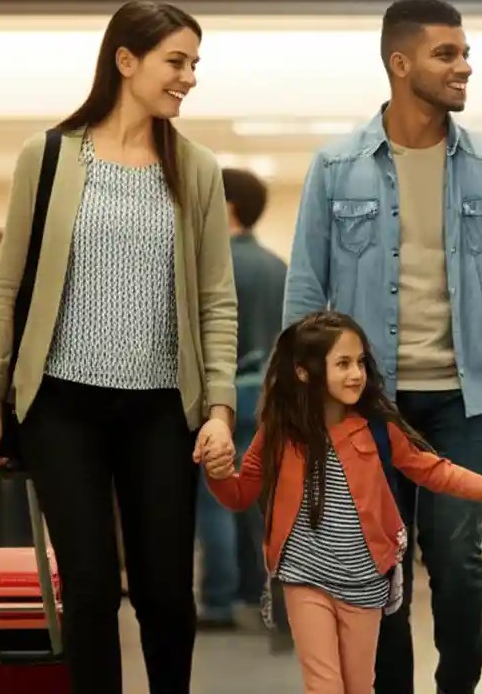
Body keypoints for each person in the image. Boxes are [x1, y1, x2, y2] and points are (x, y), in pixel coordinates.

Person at [282, 0, 482, 694]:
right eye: (447, 54)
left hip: (463, 398)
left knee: (459, 558)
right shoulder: (337, 166)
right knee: (379, 561)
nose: (464, 67)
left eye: (465, 53)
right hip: (367, 402)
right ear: (400, 64)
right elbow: (307, 293)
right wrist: (303, 404)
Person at [0, 1, 238, 694]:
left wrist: (219, 408)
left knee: (166, 597)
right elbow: (10, 288)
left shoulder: (197, 168)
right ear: (126, 61)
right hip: (61, 407)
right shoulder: (50, 156)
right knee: (87, 590)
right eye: (176, 62)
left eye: (194, 64)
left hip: (158, 410)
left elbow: (216, 299)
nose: (189, 78)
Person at [202, 311, 482, 694]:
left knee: (359, 686)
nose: (356, 374)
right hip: (304, 578)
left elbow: (435, 470)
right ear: (304, 372)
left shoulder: (377, 427)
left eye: (360, 362)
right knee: (324, 686)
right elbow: (239, 494)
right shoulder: (278, 433)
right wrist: (217, 471)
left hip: (364, 582)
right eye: (342, 364)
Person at [195, 167, 286, 631]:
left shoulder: (212, 264)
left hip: (223, 398)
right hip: (270, 398)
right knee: (261, 496)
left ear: (226, 208)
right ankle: (258, 588)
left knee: (217, 495)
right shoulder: (278, 268)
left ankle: (216, 600)